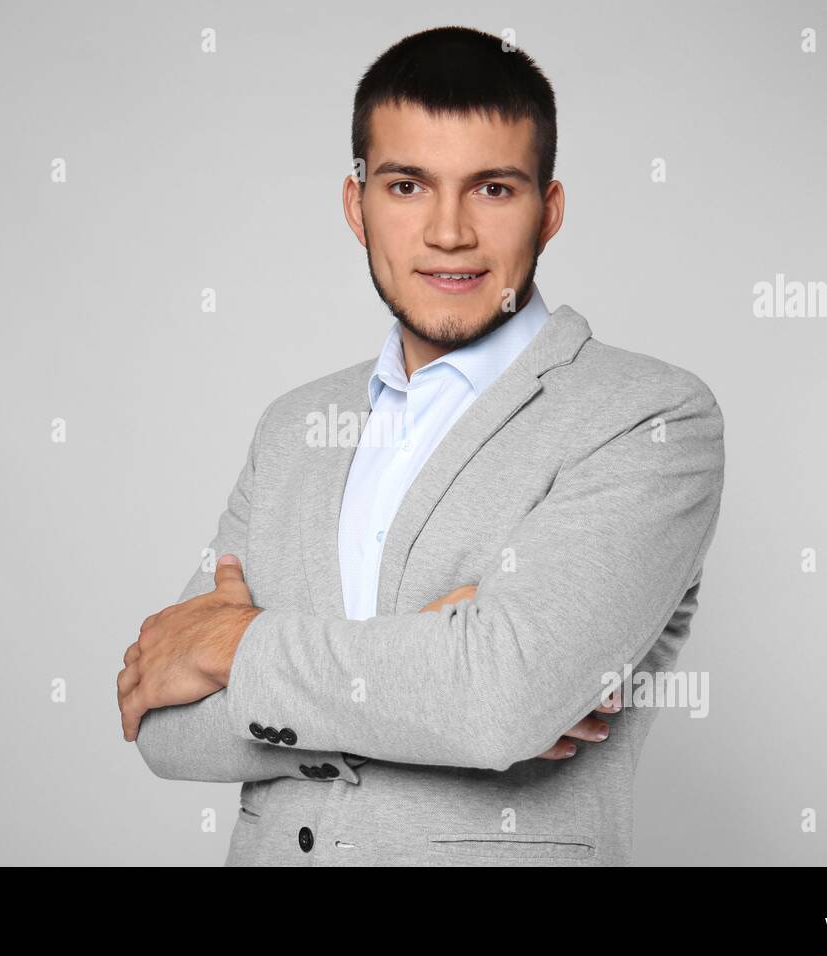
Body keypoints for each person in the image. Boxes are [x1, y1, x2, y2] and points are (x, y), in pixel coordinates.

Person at [118, 25, 725, 866]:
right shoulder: (294, 426)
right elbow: (162, 726)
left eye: (493, 190)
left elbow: (502, 698)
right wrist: (421, 681)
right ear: (355, 205)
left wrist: (234, 645)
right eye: (407, 185)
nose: (448, 232)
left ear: (548, 211)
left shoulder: (648, 417)